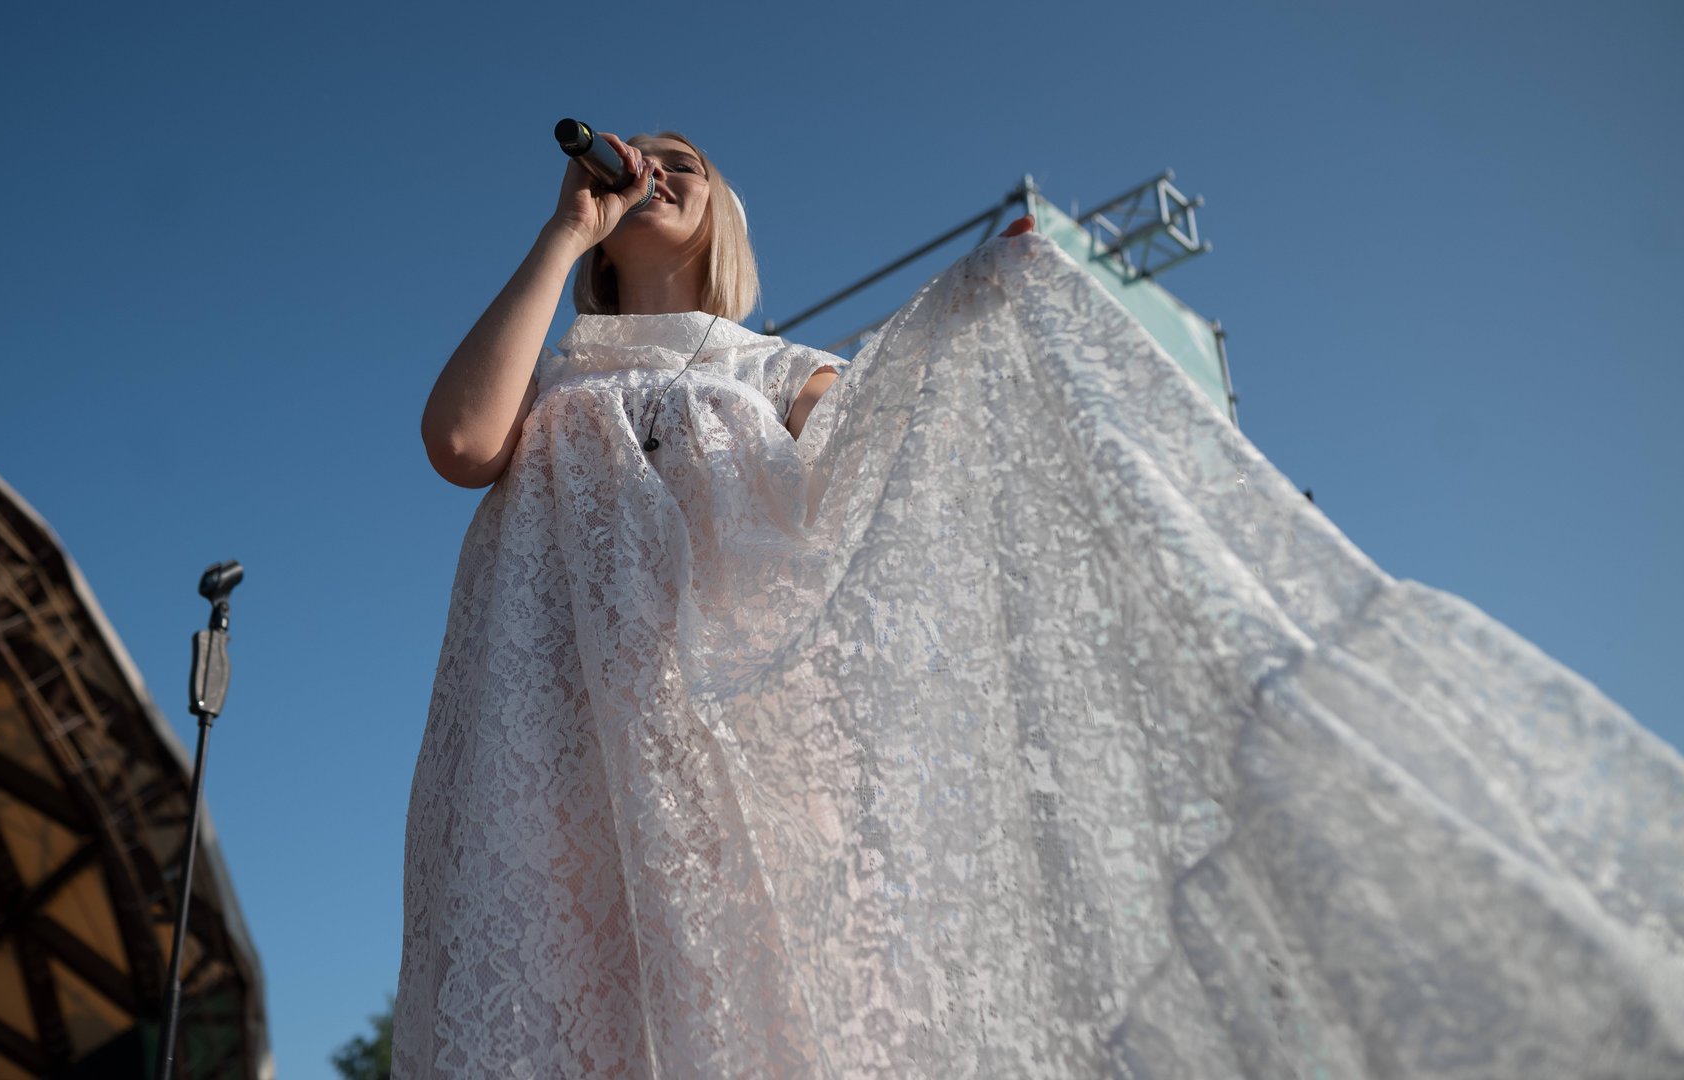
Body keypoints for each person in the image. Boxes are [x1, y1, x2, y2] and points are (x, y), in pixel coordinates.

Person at [395, 130, 1684, 1078]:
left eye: (688, 162)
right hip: (548, 771)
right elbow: (460, 440)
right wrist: (566, 233)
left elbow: (904, 458)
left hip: (730, 772)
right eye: (643, 159)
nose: (658, 169)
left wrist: (981, 318)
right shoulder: (553, 381)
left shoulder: (780, 373)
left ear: (725, 212)